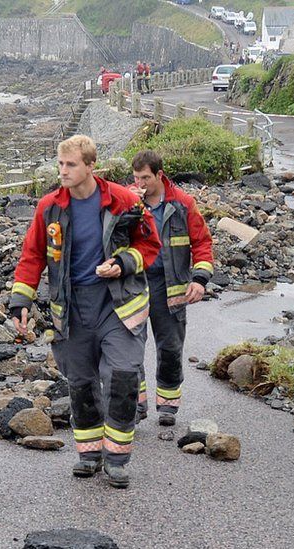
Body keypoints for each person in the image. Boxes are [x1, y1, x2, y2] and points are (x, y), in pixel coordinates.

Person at [9, 135, 160, 489]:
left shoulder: (121, 200)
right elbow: (32, 255)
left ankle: (118, 460)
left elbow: (149, 243)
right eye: (60, 164)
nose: (63, 171)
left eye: (71, 165)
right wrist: (21, 301)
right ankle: (89, 455)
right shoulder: (49, 207)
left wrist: (122, 263)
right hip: (73, 311)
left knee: (123, 375)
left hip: (118, 306)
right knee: (80, 383)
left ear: (91, 166)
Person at [127, 150, 214, 426]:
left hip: (170, 289)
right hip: (134, 287)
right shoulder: (129, 202)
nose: (140, 183)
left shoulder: (183, 204)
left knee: (170, 349)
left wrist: (199, 280)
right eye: (136, 177)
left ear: (159, 175)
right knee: (128, 350)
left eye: (145, 178)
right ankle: (134, 405)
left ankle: (167, 407)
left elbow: (202, 244)